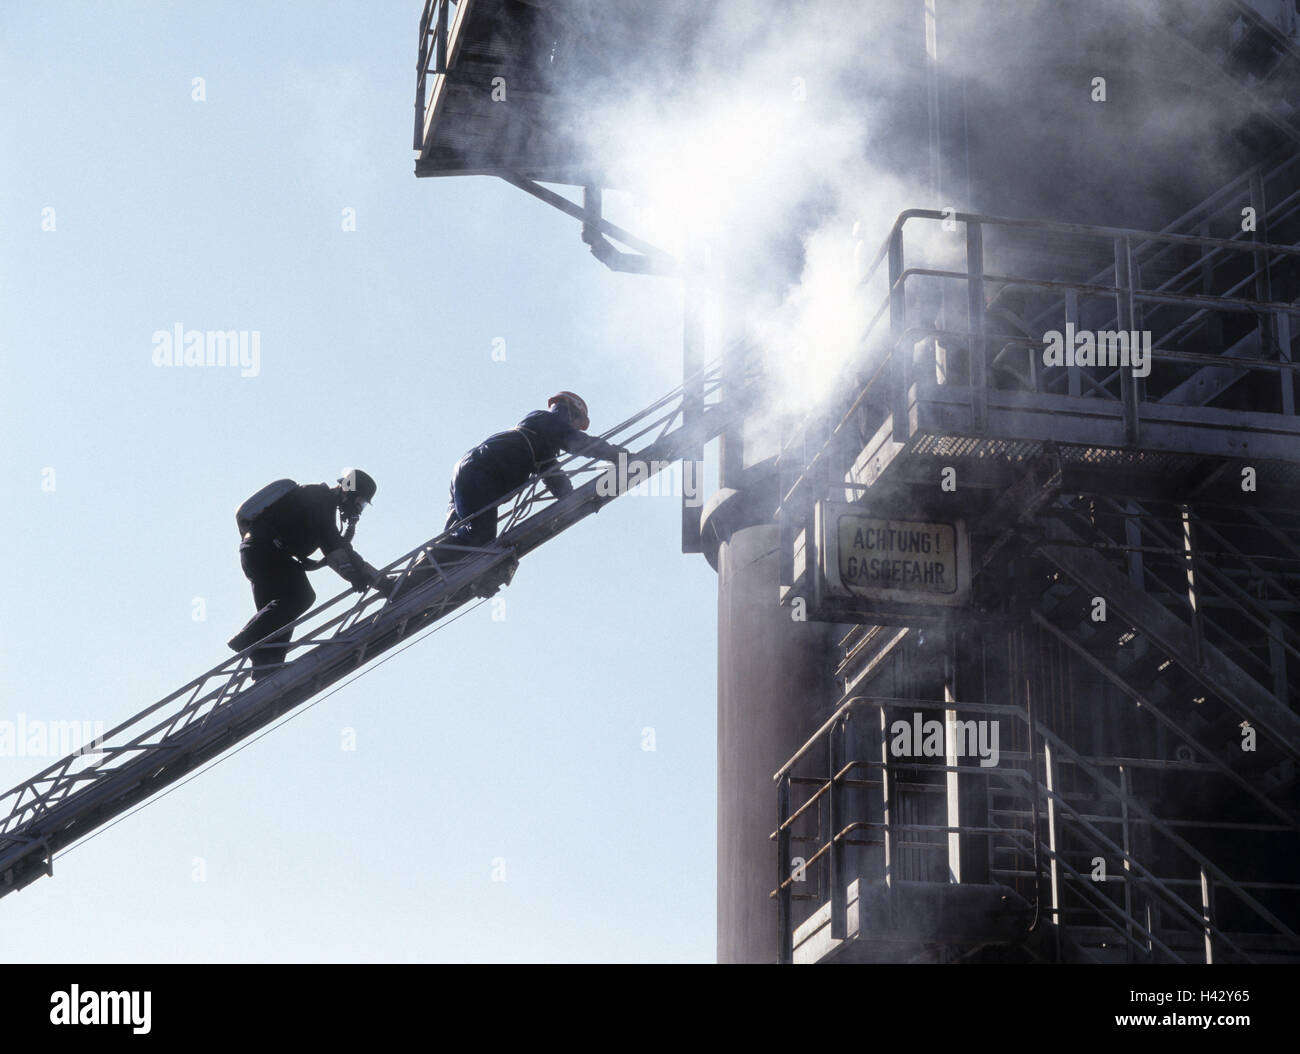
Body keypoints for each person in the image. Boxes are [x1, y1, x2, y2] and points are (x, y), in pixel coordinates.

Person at [228, 469, 390, 679]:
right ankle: (246, 640)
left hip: (258, 553)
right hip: (266, 550)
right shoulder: (320, 499)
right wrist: (355, 576)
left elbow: (340, 547)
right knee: (302, 596)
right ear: (349, 492)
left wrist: (377, 580)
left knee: (279, 617)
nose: (358, 509)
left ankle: (266, 668)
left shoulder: (321, 503)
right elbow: (333, 546)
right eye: (360, 502)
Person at [443, 391, 627, 548]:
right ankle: (424, 575)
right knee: (480, 538)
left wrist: (579, 503)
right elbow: (579, 443)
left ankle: (421, 579)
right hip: (481, 471)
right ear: (569, 411)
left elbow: (555, 478)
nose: (576, 428)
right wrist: (618, 455)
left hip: (472, 470)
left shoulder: (539, 442)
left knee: (463, 543)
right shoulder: (547, 421)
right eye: (578, 423)